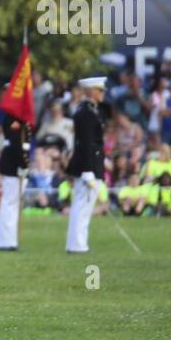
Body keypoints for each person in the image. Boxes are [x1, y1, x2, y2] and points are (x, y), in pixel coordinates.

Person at [65, 77, 107, 253]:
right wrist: (88, 170)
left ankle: (77, 243)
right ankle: (78, 245)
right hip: (87, 167)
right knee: (82, 207)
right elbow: (87, 143)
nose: (103, 94)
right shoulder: (87, 113)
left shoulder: (88, 111)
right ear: (92, 91)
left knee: (82, 207)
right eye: (101, 90)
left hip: (89, 165)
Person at [0, 113, 29, 250]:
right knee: (10, 203)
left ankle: (10, 240)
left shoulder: (18, 118)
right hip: (13, 164)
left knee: (13, 204)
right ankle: (6, 242)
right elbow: (16, 143)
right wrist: (22, 164)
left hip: (15, 163)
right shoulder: (12, 118)